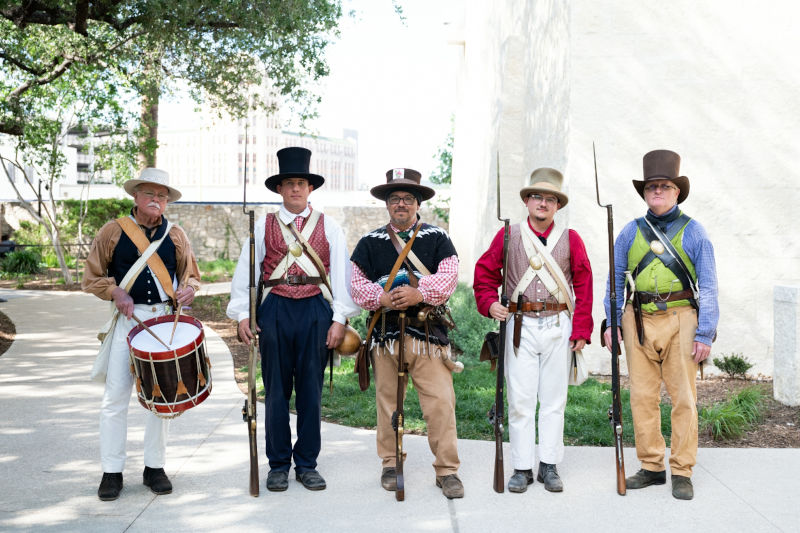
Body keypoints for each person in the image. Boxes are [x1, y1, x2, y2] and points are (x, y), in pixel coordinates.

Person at [227, 146, 360, 492]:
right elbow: (246, 273)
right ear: (280, 189)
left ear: (310, 188)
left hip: (315, 309)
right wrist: (243, 314)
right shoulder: (263, 225)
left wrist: (339, 319)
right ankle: (278, 464)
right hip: (275, 310)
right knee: (275, 390)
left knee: (311, 391)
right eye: (289, 183)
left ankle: (307, 464)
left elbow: (342, 275)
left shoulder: (330, 226)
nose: (296, 189)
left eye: (301, 183)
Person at [603, 149, 718, 500]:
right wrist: (611, 323)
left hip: (682, 319)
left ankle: (682, 469)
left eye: (664, 186)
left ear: (676, 191)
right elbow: (614, 281)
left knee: (683, 398)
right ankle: (652, 465)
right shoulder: (629, 232)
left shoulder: (695, 232)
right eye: (651, 186)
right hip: (637, 319)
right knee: (641, 397)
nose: (657, 191)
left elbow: (709, 285)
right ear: (644, 192)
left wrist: (705, 332)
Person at [82, 168, 201, 501]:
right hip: (127, 323)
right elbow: (91, 277)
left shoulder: (176, 235)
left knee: (163, 399)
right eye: (149, 193)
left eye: (162, 195)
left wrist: (190, 290)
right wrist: (115, 292)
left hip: (163, 322)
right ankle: (111, 472)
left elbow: (191, 276)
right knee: (115, 398)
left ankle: (154, 467)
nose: (156, 200)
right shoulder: (112, 231)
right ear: (135, 196)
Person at [473, 167, 593, 493]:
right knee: (520, 400)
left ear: (557, 205)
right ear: (526, 201)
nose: (543, 203)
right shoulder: (508, 235)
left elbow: (584, 283)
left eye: (550, 198)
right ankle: (522, 467)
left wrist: (581, 328)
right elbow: (484, 274)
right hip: (519, 325)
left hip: (558, 323)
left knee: (554, 400)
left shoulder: (571, 239)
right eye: (537, 196)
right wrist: (489, 303)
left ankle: (549, 465)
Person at [350, 168, 464, 499]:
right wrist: (382, 298)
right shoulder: (368, 242)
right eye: (395, 198)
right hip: (385, 335)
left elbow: (449, 277)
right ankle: (390, 463)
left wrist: (419, 293)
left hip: (428, 334)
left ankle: (447, 470)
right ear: (387, 204)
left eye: (408, 198)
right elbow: (356, 284)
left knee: (440, 402)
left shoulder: (438, 237)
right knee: (387, 403)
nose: (401, 203)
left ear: (418, 203)